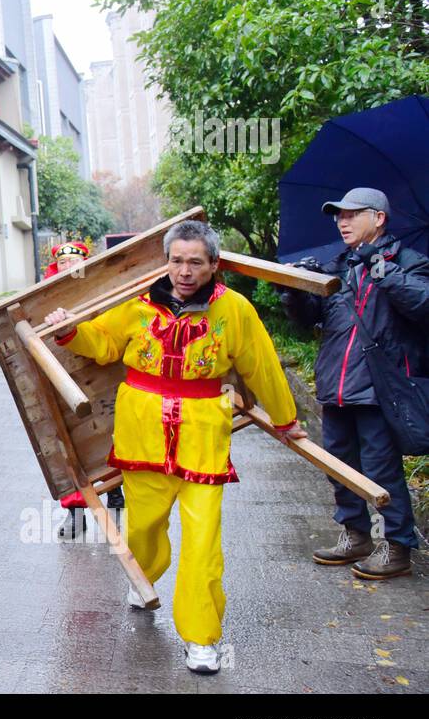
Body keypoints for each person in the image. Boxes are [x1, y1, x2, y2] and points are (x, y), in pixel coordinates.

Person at [43, 220, 305, 674]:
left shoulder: (234, 310)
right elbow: (103, 344)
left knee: (203, 541)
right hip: (142, 433)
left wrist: (286, 419)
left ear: (213, 264)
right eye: (177, 260)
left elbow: (261, 365)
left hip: (203, 437)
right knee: (144, 528)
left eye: (195, 262)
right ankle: (143, 576)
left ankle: (202, 636)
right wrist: (69, 331)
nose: (185, 271)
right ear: (166, 261)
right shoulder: (139, 303)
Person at [280, 187, 428, 579]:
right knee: (338, 465)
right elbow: (310, 319)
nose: (341, 221)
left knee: (382, 469)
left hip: (380, 389)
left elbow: (423, 306)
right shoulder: (341, 265)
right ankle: (355, 535)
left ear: (378, 218)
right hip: (337, 383)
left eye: (352, 214)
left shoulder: (410, 263)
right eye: (338, 216)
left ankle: (396, 548)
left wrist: (385, 272)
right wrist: (296, 291)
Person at [43, 240, 127, 538]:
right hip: (61, 379)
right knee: (66, 446)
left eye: (74, 261)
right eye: (63, 263)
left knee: (108, 437)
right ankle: (75, 513)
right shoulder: (43, 295)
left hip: (98, 374)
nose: (69, 267)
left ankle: (116, 503)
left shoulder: (98, 289)